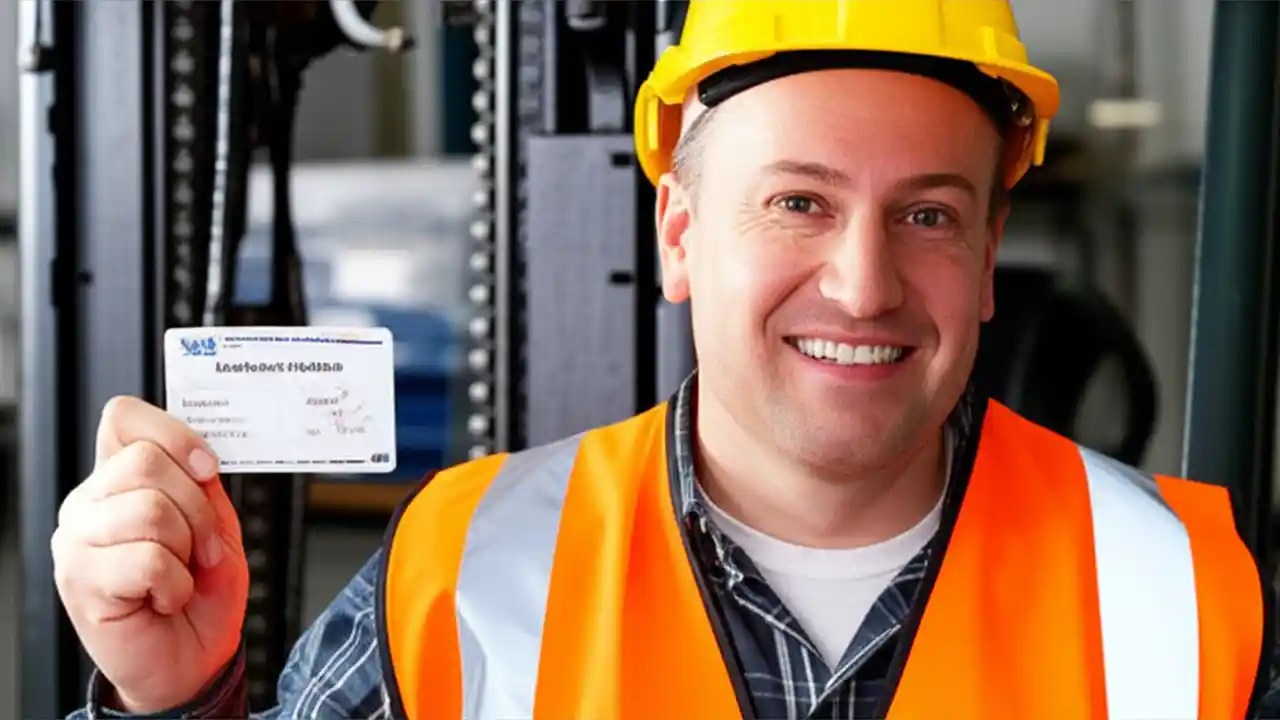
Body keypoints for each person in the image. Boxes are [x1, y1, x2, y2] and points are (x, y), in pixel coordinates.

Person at [54, 1, 1272, 718]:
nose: (861, 283)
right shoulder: (462, 573)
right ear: (678, 232)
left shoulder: (1188, 601)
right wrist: (172, 700)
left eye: (927, 215)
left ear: (989, 248)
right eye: (797, 203)